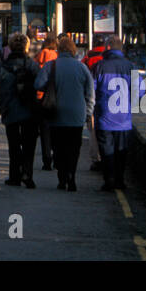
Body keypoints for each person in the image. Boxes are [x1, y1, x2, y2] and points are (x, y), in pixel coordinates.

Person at [34, 35, 94, 191]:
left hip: (56, 114)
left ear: (59, 50)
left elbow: (38, 84)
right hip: (77, 115)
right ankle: (71, 176)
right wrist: (88, 113)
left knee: (58, 147)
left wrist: (50, 86)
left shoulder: (51, 66)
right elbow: (90, 93)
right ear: (73, 50)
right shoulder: (82, 67)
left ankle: (62, 177)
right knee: (74, 148)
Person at [0, 33, 40, 187]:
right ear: (26, 47)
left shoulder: (3, 67)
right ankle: (27, 174)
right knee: (29, 145)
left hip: (10, 109)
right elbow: (40, 84)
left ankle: (14, 176)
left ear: (11, 47)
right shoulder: (32, 65)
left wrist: (1, 108)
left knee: (13, 146)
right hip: (29, 109)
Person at [94, 36, 137, 191]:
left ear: (107, 47)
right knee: (121, 151)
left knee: (106, 150)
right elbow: (140, 90)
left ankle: (109, 180)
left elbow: (92, 89)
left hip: (105, 116)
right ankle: (120, 180)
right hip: (124, 118)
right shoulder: (130, 66)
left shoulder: (100, 66)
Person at [35, 34, 59, 172]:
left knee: (44, 130)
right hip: (55, 96)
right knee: (56, 129)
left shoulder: (39, 56)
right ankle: (56, 158)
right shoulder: (57, 58)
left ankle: (46, 160)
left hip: (41, 97)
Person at [84, 40, 107, 171]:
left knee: (93, 132)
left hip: (92, 100)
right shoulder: (107, 59)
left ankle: (96, 159)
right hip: (108, 100)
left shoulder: (88, 58)